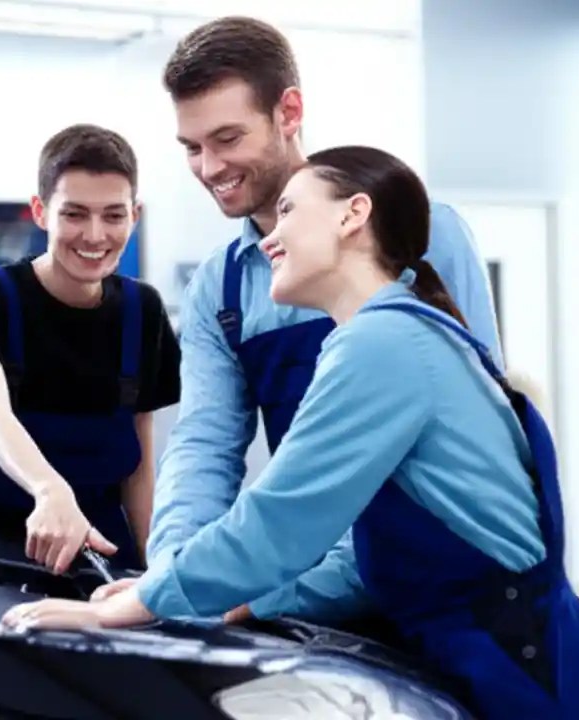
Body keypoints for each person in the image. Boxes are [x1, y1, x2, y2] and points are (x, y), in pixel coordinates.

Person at [2, 145, 579, 719]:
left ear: (354, 216)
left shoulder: (382, 345)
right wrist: (213, 594)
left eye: (290, 211)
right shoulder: (400, 332)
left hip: (517, 666)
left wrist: (126, 609)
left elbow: (281, 520)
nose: (270, 237)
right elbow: (354, 554)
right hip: (494, 653)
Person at [91, 15, 505, 624]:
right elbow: (205, 443)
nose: (209, 168)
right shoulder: (221, 288)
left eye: (227, 139)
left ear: (289, 112)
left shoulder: (426, 236)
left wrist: (237, 593)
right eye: (191, 148)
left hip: (449, 592)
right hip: (316, 592)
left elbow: (474, 436)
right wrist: (172, 572)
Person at [0, 124, 181, 573]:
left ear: (133, 216)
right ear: (41, 212)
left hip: (105, 556)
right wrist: (49, 490)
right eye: (74, 214)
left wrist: (154, 569)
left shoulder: (143, 309)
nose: (95, 235)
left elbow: (139, 467)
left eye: (113, 216)